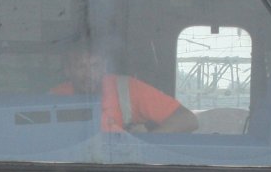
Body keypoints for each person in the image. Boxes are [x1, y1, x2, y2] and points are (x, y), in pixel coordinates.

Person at [52, 45, 198, 134]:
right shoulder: (52, 99)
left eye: (95, 66)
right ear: (68, 70)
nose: (89, 73)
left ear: (104, 67)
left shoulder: (127, 88)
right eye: (81, 67)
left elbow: (187, 119)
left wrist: (145, 143)